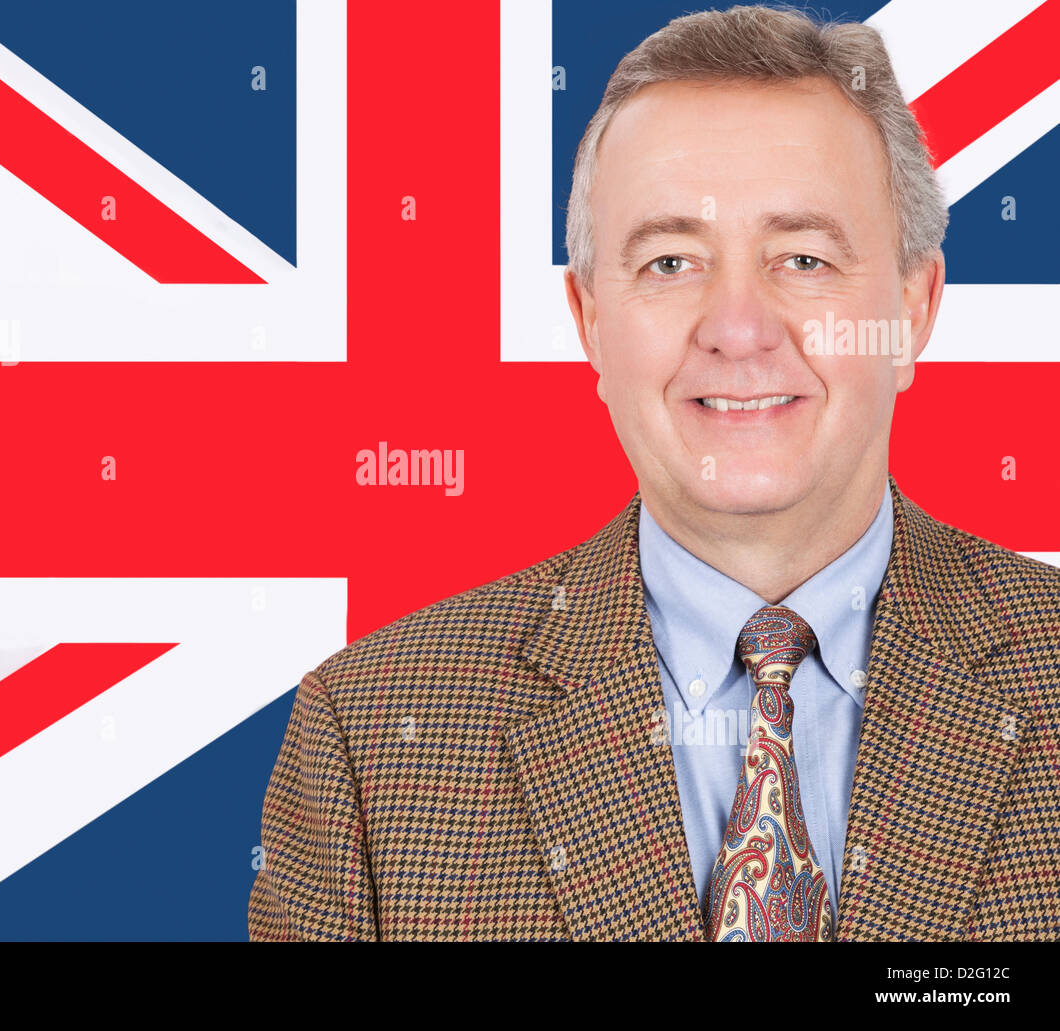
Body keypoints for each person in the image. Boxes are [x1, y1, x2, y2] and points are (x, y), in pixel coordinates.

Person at [248, 4, 1060, 941]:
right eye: (672, 262)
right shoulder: (372, 741)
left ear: (916, 308)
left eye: (803, 257)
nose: (738, 326)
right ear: (591, 320)